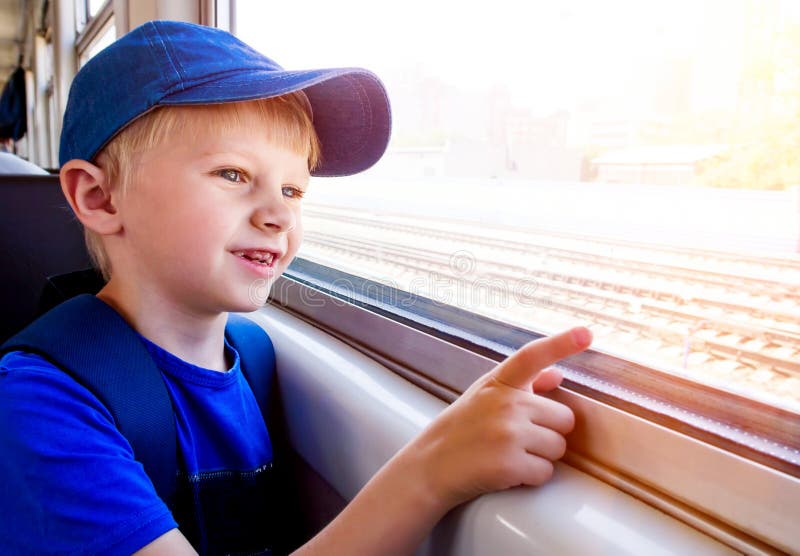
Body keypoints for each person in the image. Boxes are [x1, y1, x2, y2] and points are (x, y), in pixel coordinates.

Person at [0, 21, 591, 555]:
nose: (278, 215)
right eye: (233, 175)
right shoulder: (37, 405)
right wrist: (431, 470)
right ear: (98, 198)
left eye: (294, 191)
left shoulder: (254, 357)